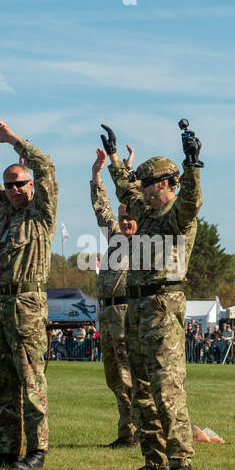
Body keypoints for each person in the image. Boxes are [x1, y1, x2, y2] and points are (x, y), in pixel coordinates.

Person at [107, 123, 203, 470]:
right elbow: (123, 186)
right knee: (141, 387)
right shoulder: (144, 211)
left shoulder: (178, 213)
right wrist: (115, 157)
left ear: (164, 183)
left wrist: (192, 165)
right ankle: (154, 459)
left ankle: (181, 462)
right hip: (137, 305)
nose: (141, 189)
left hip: (163, 303)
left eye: (147, 183)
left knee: (167, 386)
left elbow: (194, 200)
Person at [0, 120, 57, 470]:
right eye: (9, 185)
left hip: (28, 304)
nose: (15, 189)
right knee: (3, 380)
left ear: (31, 185)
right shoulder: (2, 208)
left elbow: (47, 166)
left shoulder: (41, 212)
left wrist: (13, 141)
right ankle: (6, 450)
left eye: (21, 183)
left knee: (31, 379)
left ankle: (37, 451)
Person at [91, 144, 145, 449]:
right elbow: (102, 208)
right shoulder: (114, 237)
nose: (124, 222)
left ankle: (138, 432)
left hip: (127, 312)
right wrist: (97, 175)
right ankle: (126, 432)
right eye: (122, 217)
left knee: (131, 377)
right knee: (114, 377)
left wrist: (127, 173)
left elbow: (139, 202)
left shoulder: (144, 242)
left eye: (129, 218)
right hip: (107, 314)